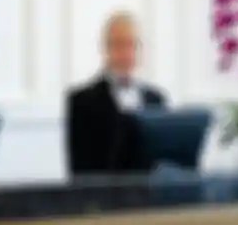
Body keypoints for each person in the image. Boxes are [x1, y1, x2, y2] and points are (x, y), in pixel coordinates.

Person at [65, 12, 167, 174]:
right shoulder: (81, 101)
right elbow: (81, 171)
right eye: (119, 45)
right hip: (106, 196)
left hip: (150, 194)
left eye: (131, 45)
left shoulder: (156, 99)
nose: (126, 53)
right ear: (105, 49)